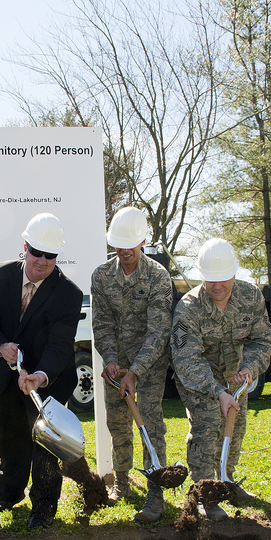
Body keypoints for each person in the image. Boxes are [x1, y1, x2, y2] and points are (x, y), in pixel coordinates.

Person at [0, 212, 84, 530]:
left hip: (48, 379)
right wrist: (0, 345)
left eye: (50, 255)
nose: (42, 260)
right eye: (36, 252)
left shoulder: (69, 294)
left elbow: (61, 345)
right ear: (25, 247)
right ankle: (9, 494)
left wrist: (40, 376)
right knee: (9, 437)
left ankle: (44, 507)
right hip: (5, 377)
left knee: (46, 444)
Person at [171, 238, 271, 520]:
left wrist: (249, 369)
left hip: (234, 377)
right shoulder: (188, 307)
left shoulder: (251, 297)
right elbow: (187, 358)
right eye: (210, 280)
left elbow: (263, 339)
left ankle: (227, 480)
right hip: (198, 378)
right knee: (207, 426)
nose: (217, 287)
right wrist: (217, 391)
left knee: (235, 426)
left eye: (223, 280)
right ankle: (205, 492)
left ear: (234, 273)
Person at [91, 206, 173, 522]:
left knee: (150, 425)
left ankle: (155, 493)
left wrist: (136, 371)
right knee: (118, 423)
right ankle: (122, 482)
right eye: (119, 244)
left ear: (143, 241)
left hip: (149, 363)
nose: (125, 251)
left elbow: (159, 330)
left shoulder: (158, 277)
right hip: (116, 364)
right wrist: (112, 362)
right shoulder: (101, 276)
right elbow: (102, 323)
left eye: (131, 244)